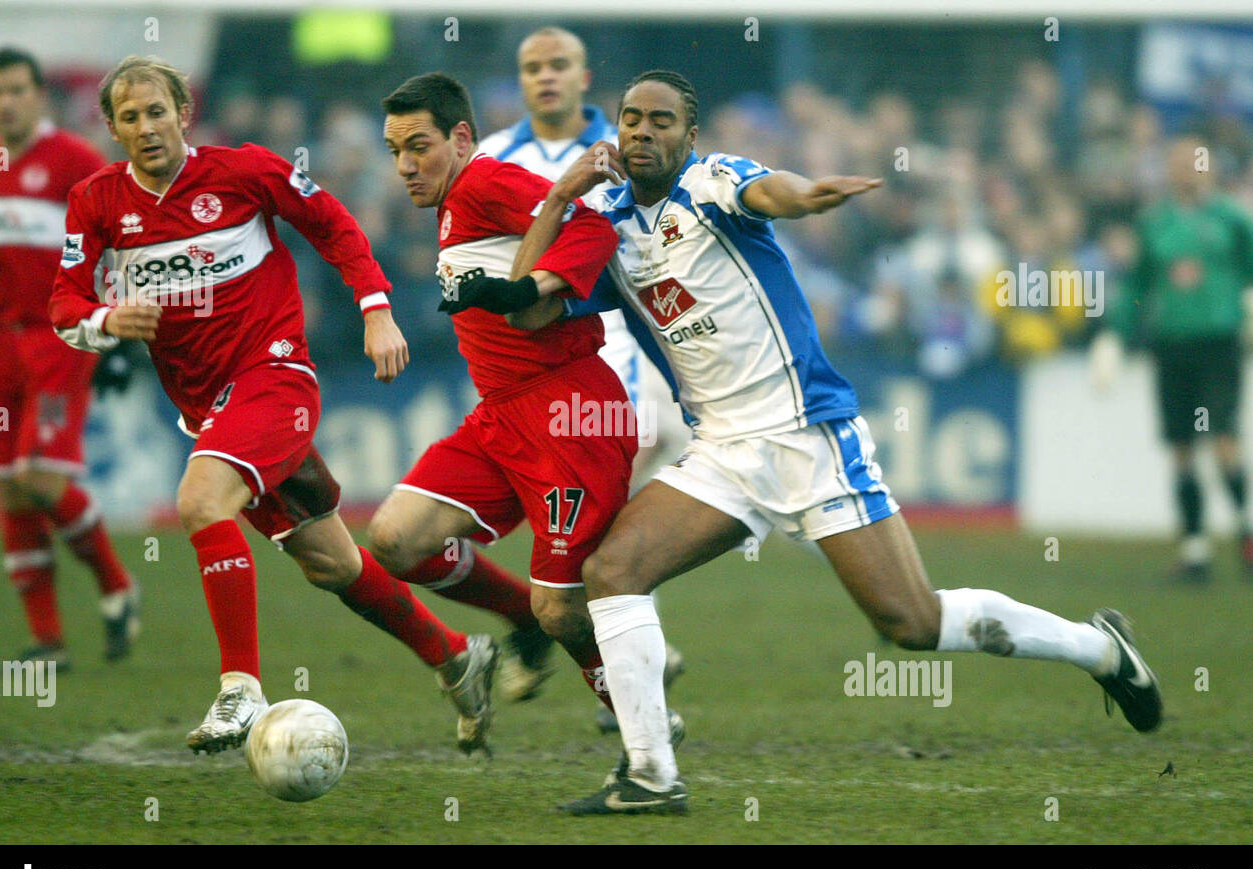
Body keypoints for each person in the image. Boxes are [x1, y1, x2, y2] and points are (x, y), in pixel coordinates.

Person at [472, 70, 1164, 815]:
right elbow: (528, 316)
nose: (644, 131)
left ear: (691, 136)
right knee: (612, 572)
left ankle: (1098, 648)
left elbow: (775, 192)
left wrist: (811, 194)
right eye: (631, 119)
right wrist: (554, 199)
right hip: (723, 452)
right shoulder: (601, 223)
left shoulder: (711, 183)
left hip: (807, 435)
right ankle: (650, 775)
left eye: (662, 121)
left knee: (912, 623)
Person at [49, 55, 496, 756]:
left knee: (200, 501)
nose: (146, 127)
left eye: (157, 111)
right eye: (129, 117)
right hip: (207, 409)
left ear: (183, 114)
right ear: (110, 127)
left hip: (274, 377)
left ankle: (240, 689)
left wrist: (376, 309)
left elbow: (334, 226)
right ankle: (455, 655)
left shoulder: (244, 170)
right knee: (333, 566)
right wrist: (107, 322)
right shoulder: (97, 203)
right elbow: (65, 304)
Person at [375, 72, 652, 741]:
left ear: (461, 137)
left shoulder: (482, 183)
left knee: (566, 606)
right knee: (396, 539)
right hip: (501, 418)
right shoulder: (450, 207)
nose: (406, 165)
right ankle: (522, 619)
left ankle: (645, 729)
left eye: (420, 145)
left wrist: (532, 285)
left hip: (569, 414)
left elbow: (589, 228)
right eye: (394, 151)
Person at [476, 26, 687, 727]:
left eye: (559, 65)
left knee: (603, 510)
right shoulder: (492, 156)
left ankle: (613, 654)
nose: (546, 78)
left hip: (622, 346)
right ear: (521, 77)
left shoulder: (626, 149)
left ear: (583, 75)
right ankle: (606, 650)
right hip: (534, 352)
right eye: (533, 67)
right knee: (579, 524)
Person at [0, 47, 138, 669]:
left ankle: (115, 584)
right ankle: (48, 639)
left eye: (17, 90)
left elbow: (115, 246)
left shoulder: (77, 162)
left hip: (59, 337)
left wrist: (111, 329)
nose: (6, 102)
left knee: (41, 479)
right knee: (10, 491)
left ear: (40, 96)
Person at [1091, 134, 1253, 582]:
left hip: (1218, 344)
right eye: (1176, 162)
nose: (1184, 169)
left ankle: (1246, 532)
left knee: (1224, 442)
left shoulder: (1233, 220)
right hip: (1172, 346)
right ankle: (1195, 550)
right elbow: (1138, 288)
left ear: (1210, 167)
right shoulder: (1155, 223)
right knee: (1181, 448)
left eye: (1193, 161)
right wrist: (1116, 338)